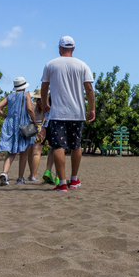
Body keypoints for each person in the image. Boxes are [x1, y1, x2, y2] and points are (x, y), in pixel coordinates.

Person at [39, 35, 95, 191]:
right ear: (74, 48)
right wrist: (92, 109)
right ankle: (74, 180)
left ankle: (62, 182)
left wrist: (45, 104)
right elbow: (89, 89)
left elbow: (44, 88)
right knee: (76, 146)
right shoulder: (82, 65)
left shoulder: (51, 65)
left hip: (58, 113)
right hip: (77, 113)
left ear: (60, 48)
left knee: (58, 147)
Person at [0, 76, 36, 185]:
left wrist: (6, 117)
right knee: (24, 153)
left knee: (11, 152)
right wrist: (35, 122)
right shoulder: (26, 95)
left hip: (10, 125)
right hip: (23, 125)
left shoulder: (10, 96)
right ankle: (20, 178)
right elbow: (30, 109)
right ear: (24, 86)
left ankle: (4, 172)